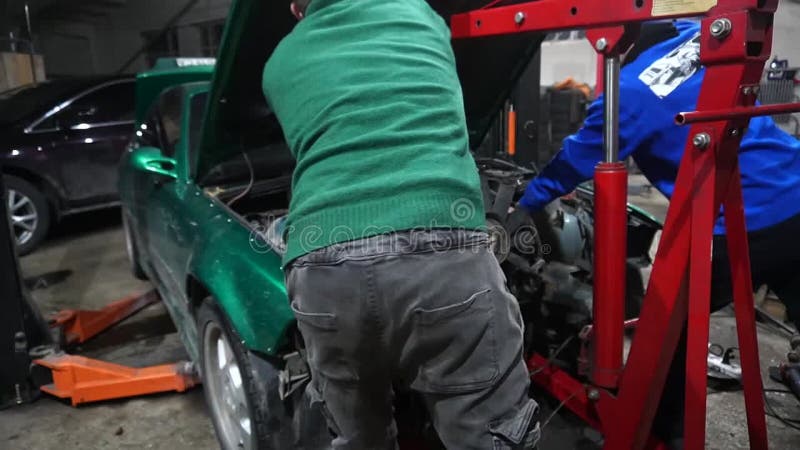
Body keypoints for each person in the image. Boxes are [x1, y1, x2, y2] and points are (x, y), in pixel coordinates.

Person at [262, 1, 540, 449]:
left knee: (358, 438)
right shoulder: (420, 14)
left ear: (298, 7)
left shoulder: (279, 63)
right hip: (444, 250)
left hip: (320, 264)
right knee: (489, 437)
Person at [518, 19, 800, 447]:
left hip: (740, 218)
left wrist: (522, 204)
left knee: (668, 336)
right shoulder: (697, 35)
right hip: (795, 186)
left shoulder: (627, 92)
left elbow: (573, 162)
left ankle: (659, 431)